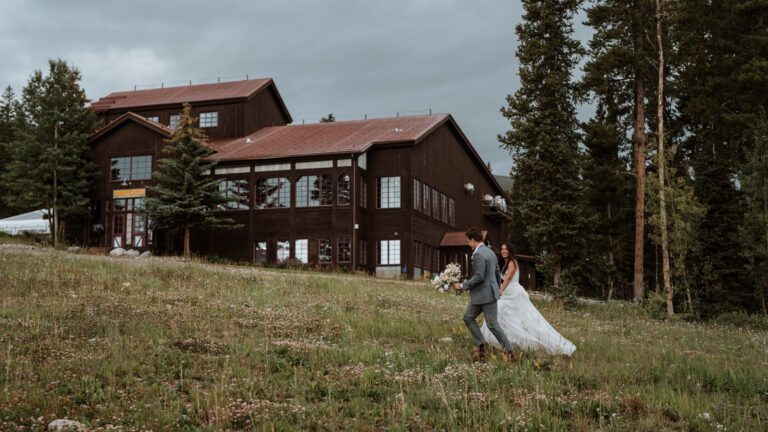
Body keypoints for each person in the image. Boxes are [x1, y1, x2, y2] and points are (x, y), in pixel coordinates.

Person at [480, 243, 576, 356]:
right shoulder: (506, 263)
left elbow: (508, 278)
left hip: (513, 294)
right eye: (502, 249)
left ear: (510, 251)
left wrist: (500, 291)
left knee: (516, 317)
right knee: (505, 316)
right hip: (507, 293)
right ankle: (504, 341)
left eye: (506, 249)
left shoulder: (512, 262)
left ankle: (522, 340)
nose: (503, 251)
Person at [452, 227, 516, 363]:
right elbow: (498, 272)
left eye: (469, 241)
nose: (468, 244)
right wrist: (497, 288)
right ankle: (481, 347)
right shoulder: (491, 252)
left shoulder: (478, 254)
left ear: (474, 241)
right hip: (485, 295)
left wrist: (462, 285)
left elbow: (479, 276)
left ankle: (509, 353)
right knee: (468, 318)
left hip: (484, 296)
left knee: (492, 325)